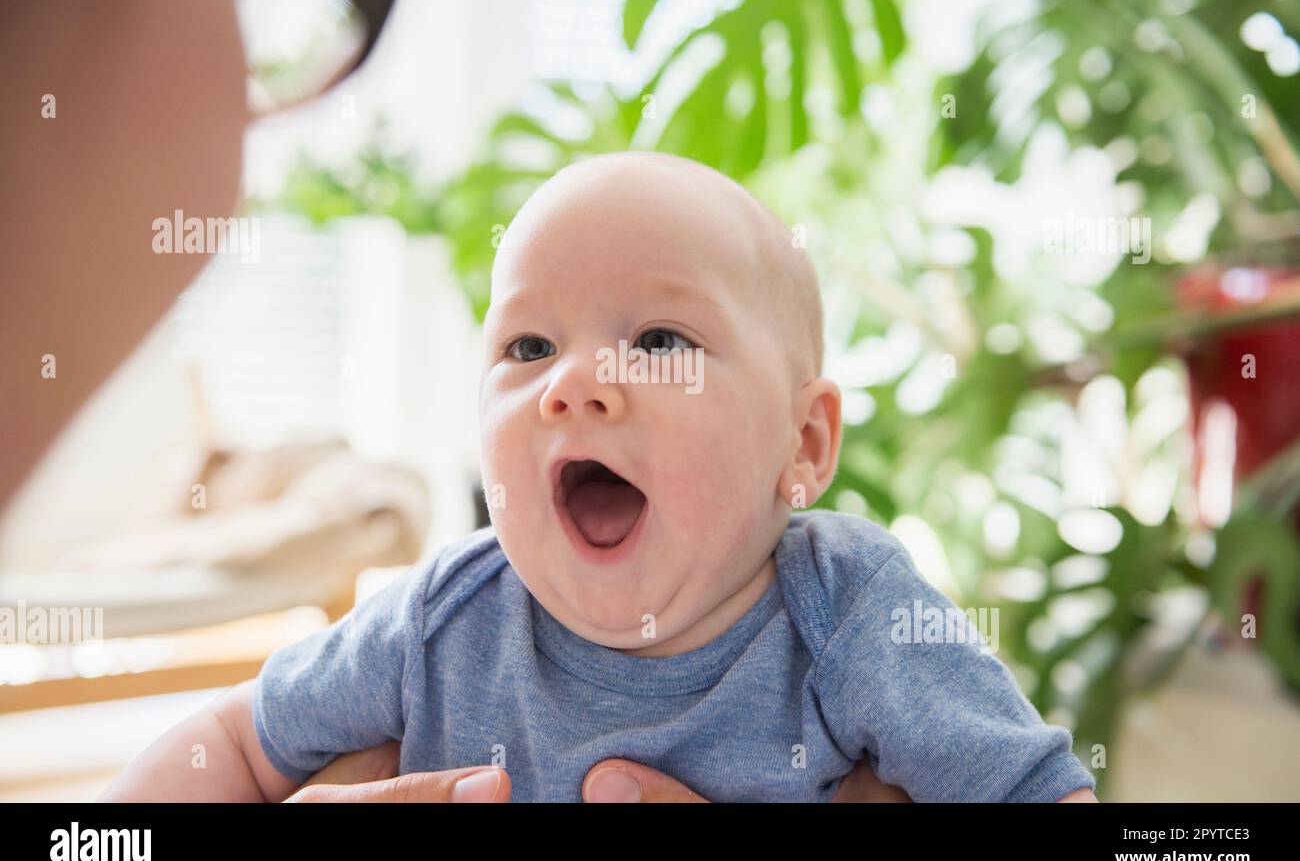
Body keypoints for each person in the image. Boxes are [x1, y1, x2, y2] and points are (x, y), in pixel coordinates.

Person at [103, 154, 1098, 802]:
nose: (576, 386)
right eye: (528, 345)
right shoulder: (442, 620)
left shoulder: (849, 613)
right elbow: (230, 746)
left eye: (659, 339)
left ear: (802, 443)